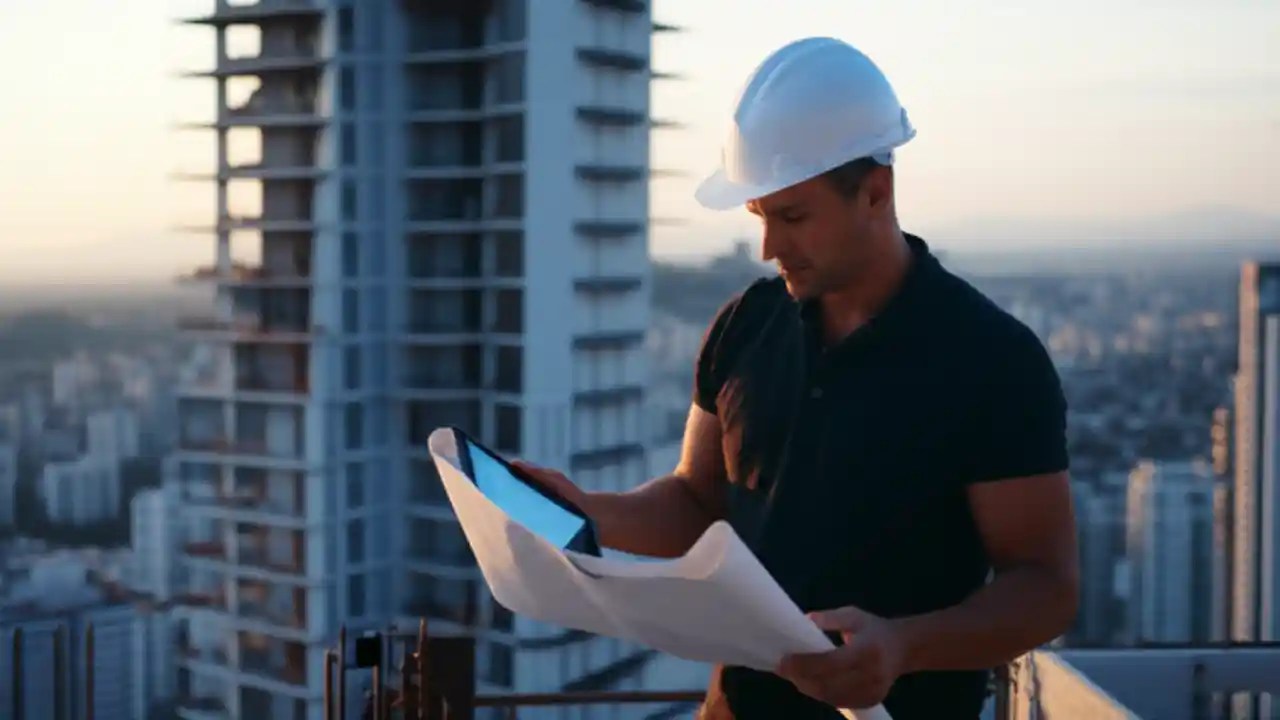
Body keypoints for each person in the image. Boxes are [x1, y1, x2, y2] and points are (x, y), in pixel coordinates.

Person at [514, 37, 1078, 719]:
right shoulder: (745, 325)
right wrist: (584, 511)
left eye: (793, 217)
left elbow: (1045, 587)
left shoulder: (993, 359)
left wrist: (903, 646)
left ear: (875, 191)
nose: (769, 247)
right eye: (760, 217)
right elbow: (700, 504)